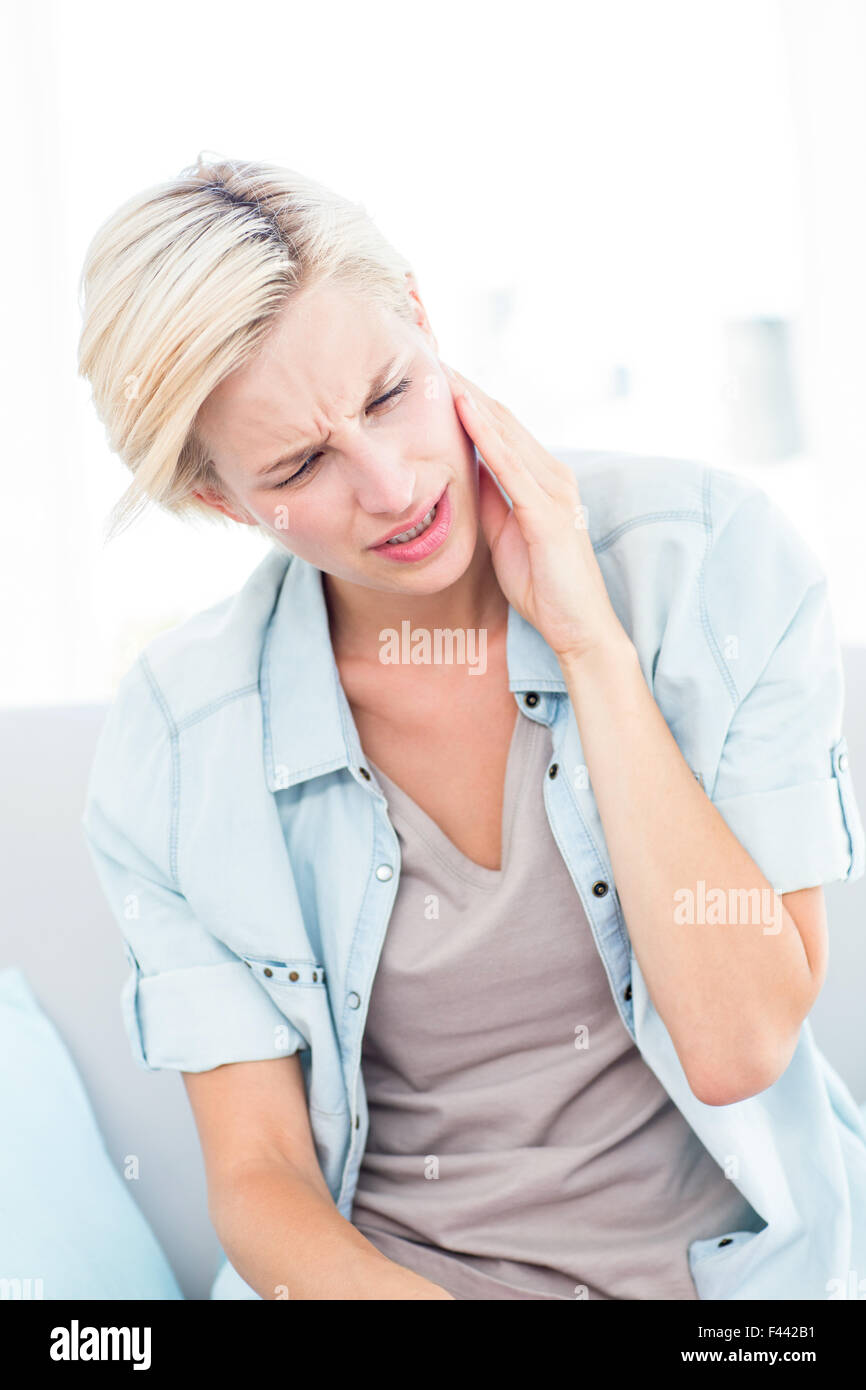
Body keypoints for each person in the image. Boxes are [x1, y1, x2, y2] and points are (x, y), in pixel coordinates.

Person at [78, 154, 866, 1301]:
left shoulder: (709, 568)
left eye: (390, 392)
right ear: (221, 500)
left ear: (419, 316)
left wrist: (589, 643)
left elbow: (739, 1045)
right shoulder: (175, 741)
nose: (392, 487)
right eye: (300, 464)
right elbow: (256, 1172)